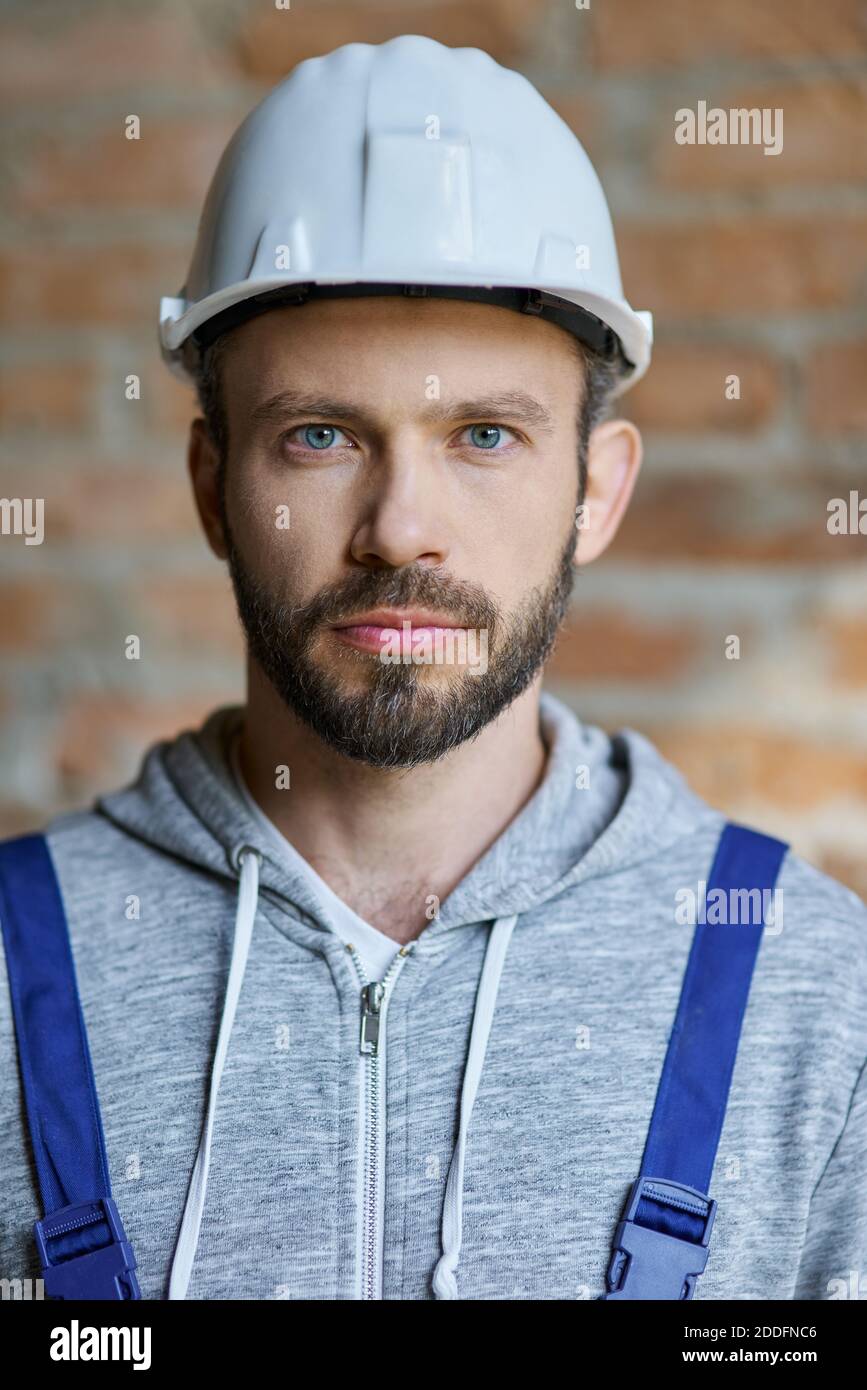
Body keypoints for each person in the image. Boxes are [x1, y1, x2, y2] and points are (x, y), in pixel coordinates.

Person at [0, 34, 864, 1303]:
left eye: (485, 435)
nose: (402, 525)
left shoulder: (813, 992)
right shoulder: (15, 973)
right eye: (317, 434)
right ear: (211, 486)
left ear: (597, 492)